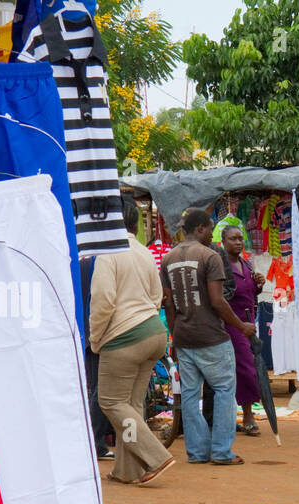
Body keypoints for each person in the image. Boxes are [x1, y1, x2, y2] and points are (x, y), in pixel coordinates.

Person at [160, 208, 257, 466]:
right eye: (211, 230)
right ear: (201, 228)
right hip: (211, 336)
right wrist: (241, 326)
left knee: (191, 396)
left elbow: (168, 303)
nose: (212, 235)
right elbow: (217, 301)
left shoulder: (168, 259)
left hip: (184, 336)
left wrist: (175, 337)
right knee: (225, 390)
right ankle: (222, 452)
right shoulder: (210, 256)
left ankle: (198, 453)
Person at [89, 198, 173, 483]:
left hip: (123, 337)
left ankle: (156, 457)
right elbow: (155, 295)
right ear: (135, 224)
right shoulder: (143, 251)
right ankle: (127, 471)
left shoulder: (106, 253)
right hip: (153, 332)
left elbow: (103, 301)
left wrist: (95, 337)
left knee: (111, 402)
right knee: (131, 406)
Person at [221, 225, 267, 436]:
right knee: (246, 368)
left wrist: (258, 284)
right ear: (224, 242)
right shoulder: (221, 267)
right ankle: (247, 414)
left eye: (240, 239)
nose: (238, 242)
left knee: (250, 367)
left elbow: (250, 292)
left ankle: (243, 412)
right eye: (233, 239)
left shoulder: (245, 265)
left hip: (249, 323)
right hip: (231, 325)